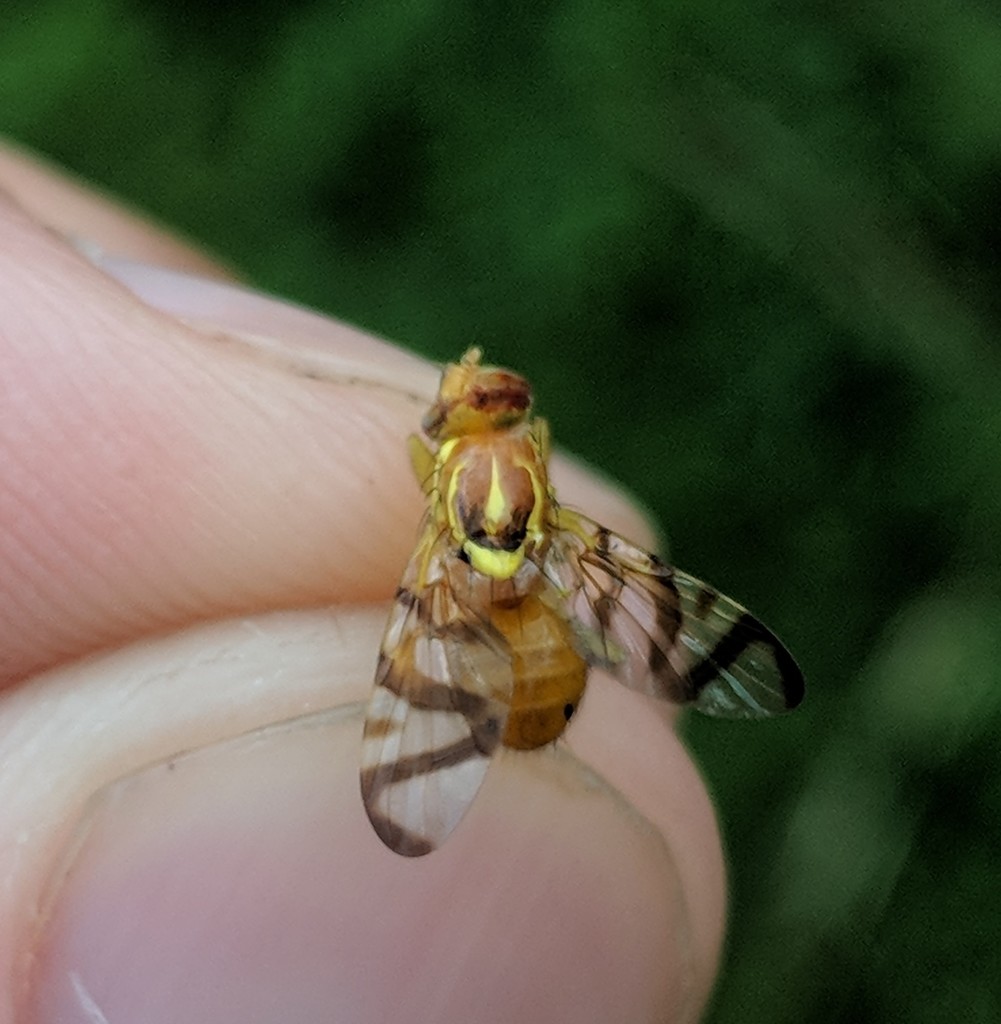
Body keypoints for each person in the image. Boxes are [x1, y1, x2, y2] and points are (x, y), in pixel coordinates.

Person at [0, 142, 724, 1023]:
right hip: (538, 636)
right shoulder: (535, 488)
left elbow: (428, 479)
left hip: (480, 611)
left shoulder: (442, 481)